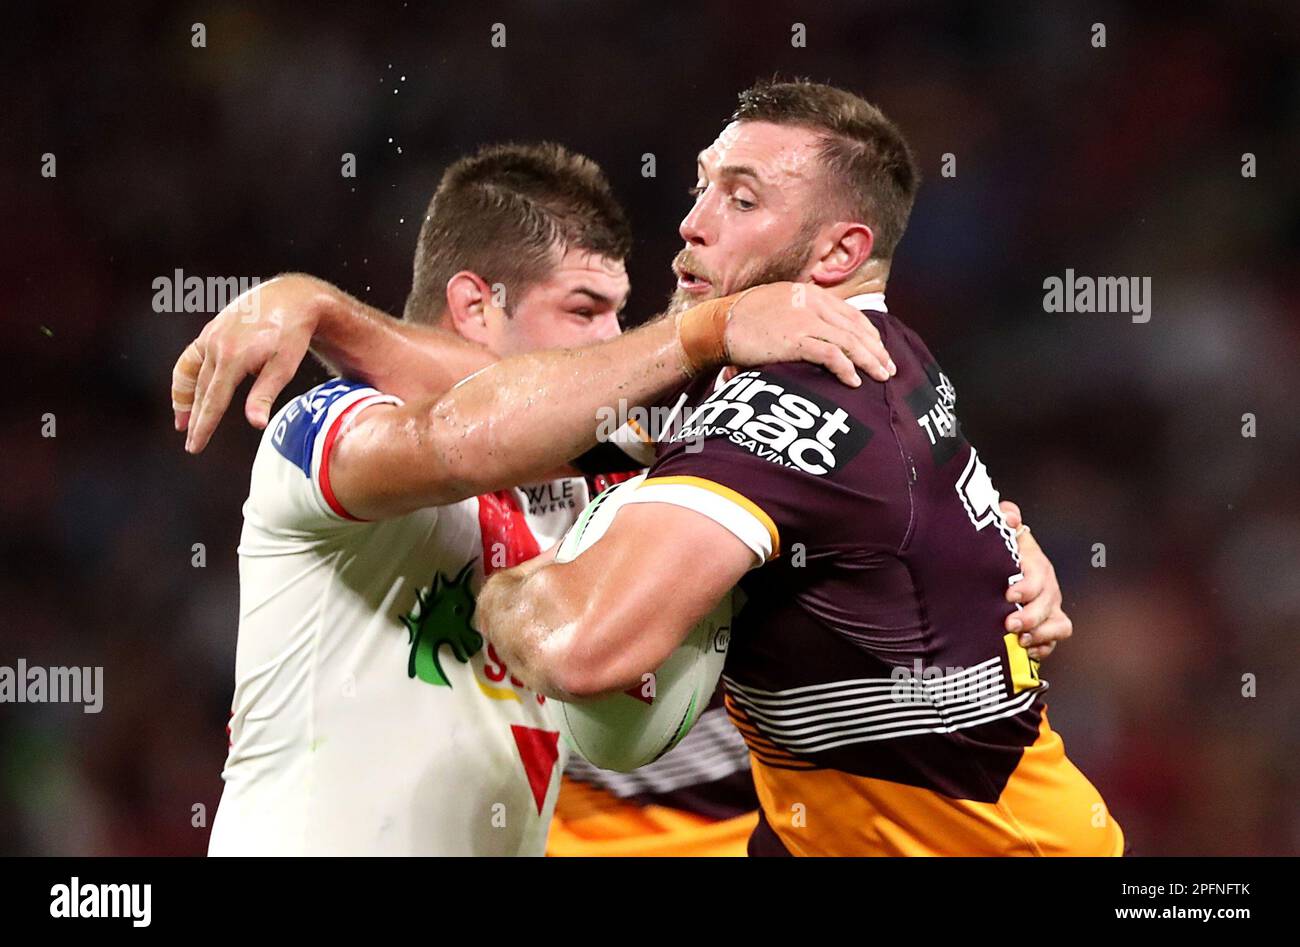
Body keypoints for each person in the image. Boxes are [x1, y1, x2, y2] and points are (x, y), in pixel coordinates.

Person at [183, 141, 899, 855]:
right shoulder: (323, 432)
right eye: (585, 311)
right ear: (474, 305)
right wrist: (701, 332)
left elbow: (812, 484)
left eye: (619, 315)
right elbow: (454, 434)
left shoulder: (603, 467)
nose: (613, 342)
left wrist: (1011, 544)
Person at [476, 80, 1122, 856]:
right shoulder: (872, 352)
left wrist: (505, 587)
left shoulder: (798, 403)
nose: (692, 223)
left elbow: (582, 646)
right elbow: (538, 426)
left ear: (839, 251)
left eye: (741, 201)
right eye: (701, 186)